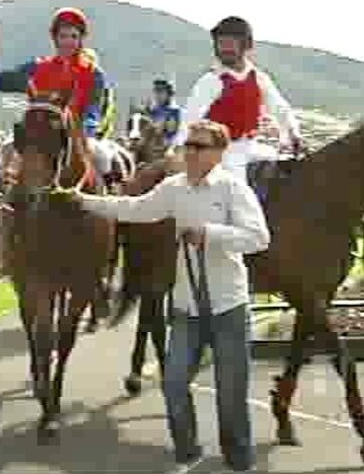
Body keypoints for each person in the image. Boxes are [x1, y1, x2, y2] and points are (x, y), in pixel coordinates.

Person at [70, 119, 269, 472]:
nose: (189, 152)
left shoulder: (233, 190)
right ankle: (187, 452)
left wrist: (210, 233)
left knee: (231, 394)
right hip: (186, 307)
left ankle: (238, 460)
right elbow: (134, 209)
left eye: (199, 146)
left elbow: (258, 238)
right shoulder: (173, 188)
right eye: (188, 145)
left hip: (229, 309)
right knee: (174, 384)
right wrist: (82, 200)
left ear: (218, 153)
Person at [0, 7, 121, 187]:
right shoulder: (37, 68)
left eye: (73, 36)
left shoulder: (93, 72)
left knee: (102, 156)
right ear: (55, 38)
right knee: (7, 148)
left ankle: (111, 193)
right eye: (63, 36)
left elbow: (93, 109)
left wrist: (80, 131)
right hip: (37, 131)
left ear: (81, 39)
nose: (68, 42)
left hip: (76, 132)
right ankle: (3, 200)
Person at [171, 16, 303, 185]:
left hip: (250, 145)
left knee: (284, 166)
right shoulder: (211, 80)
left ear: (246, 45)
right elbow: (190, 118)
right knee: (237, 189)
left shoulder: (259, 78)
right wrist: (180, 149)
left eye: (229, 43)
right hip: (219, 151)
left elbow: (280, 108)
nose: (224, 49)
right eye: (220, 44)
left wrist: (294, 134)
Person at [147, 77, 184, 146]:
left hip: (170, 145)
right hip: (153, 144)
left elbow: (171, 132)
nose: (157, 95)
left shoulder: (173, 110)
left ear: (168, 94)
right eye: (156, 92)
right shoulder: (153, 110)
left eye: (161, 92)